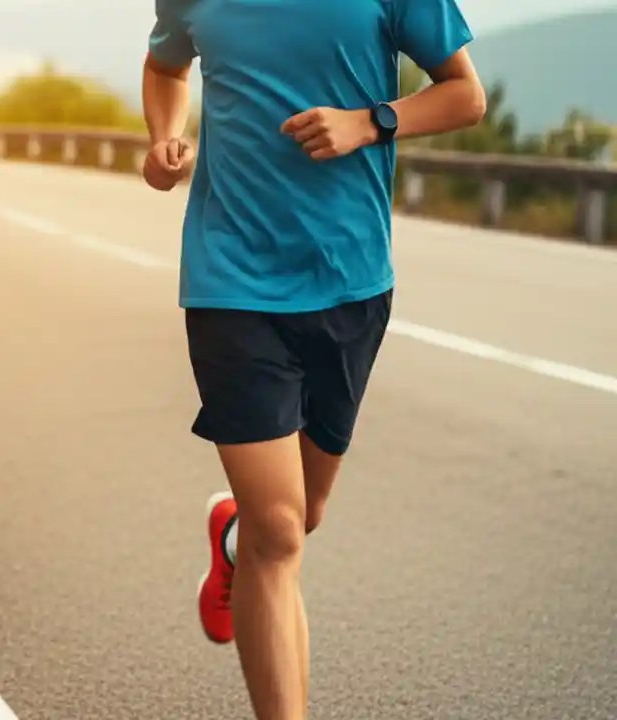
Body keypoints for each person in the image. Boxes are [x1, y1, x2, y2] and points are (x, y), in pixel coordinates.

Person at [141, 2, 485, 718]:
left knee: (303, 515)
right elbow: (164, 66)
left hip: (350, 282)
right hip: (229, 279)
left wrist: (370, 122)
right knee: (280, 531)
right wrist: (164, 140)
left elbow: (464, 95)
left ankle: (232, 535)